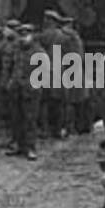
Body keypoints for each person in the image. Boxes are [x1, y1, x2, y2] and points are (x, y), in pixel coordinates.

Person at [5, 22, 43, 160]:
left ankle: (31, 147)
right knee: (16, 119)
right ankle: (17, 144)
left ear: (32, 36)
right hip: (16, 90)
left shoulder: (38, 52)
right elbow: (9, 68)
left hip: (31, 91)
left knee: (30, 120)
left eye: (26, 35)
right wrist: (9, 83)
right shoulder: (15, 51)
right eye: (21, 36)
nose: (23, 39)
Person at [38, 9, 69, 138]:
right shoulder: (64, 37)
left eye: (46, 19)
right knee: (59, 103)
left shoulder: (43, 36)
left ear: (50, 21)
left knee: (43, 102)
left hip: (44, 71)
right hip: (59, 71)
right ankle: (57, 130)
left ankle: (45, 130)